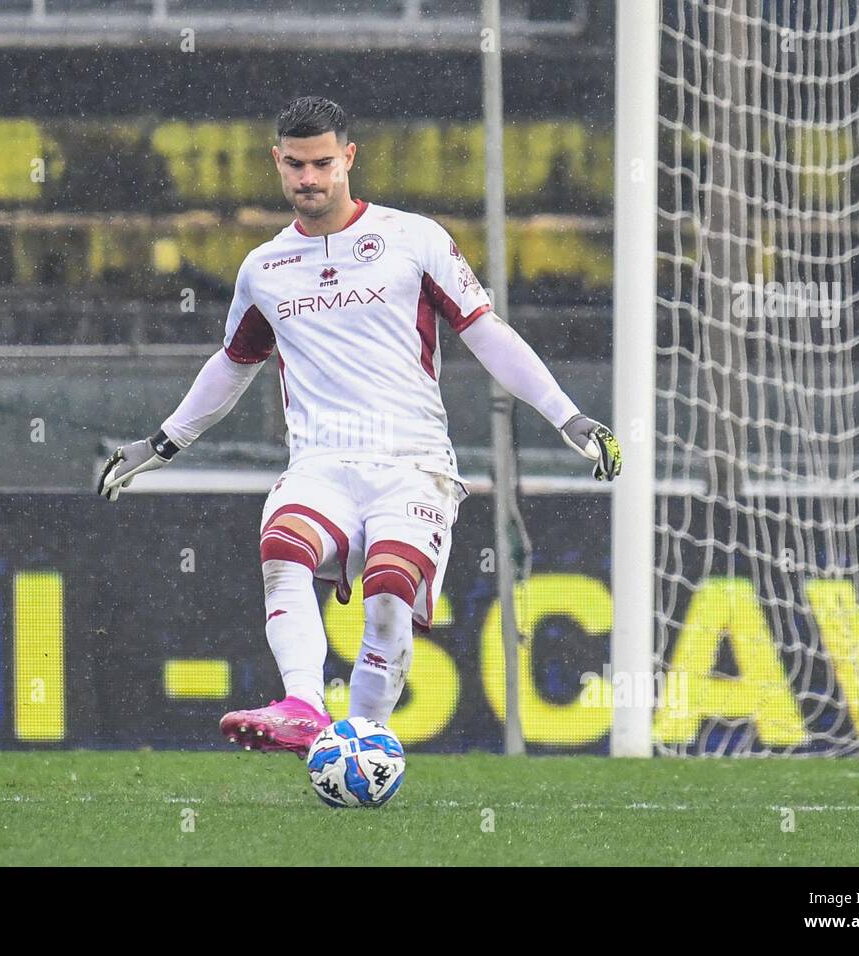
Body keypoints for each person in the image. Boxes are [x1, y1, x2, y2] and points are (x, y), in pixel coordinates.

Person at [98, 96, 621, 756]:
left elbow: (486, 332)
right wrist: (162, 442)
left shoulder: (413, 238)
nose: (308, 179)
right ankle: (303, 706)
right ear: (277, 163)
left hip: (414, 464)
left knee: (388, 594)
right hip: (321, 464)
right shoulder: (264, 269)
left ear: (349, 158)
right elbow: (233, 364)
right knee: (282, 545)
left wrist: (568, 417)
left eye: (322, 163)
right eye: (295, 165)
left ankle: (366, 737)